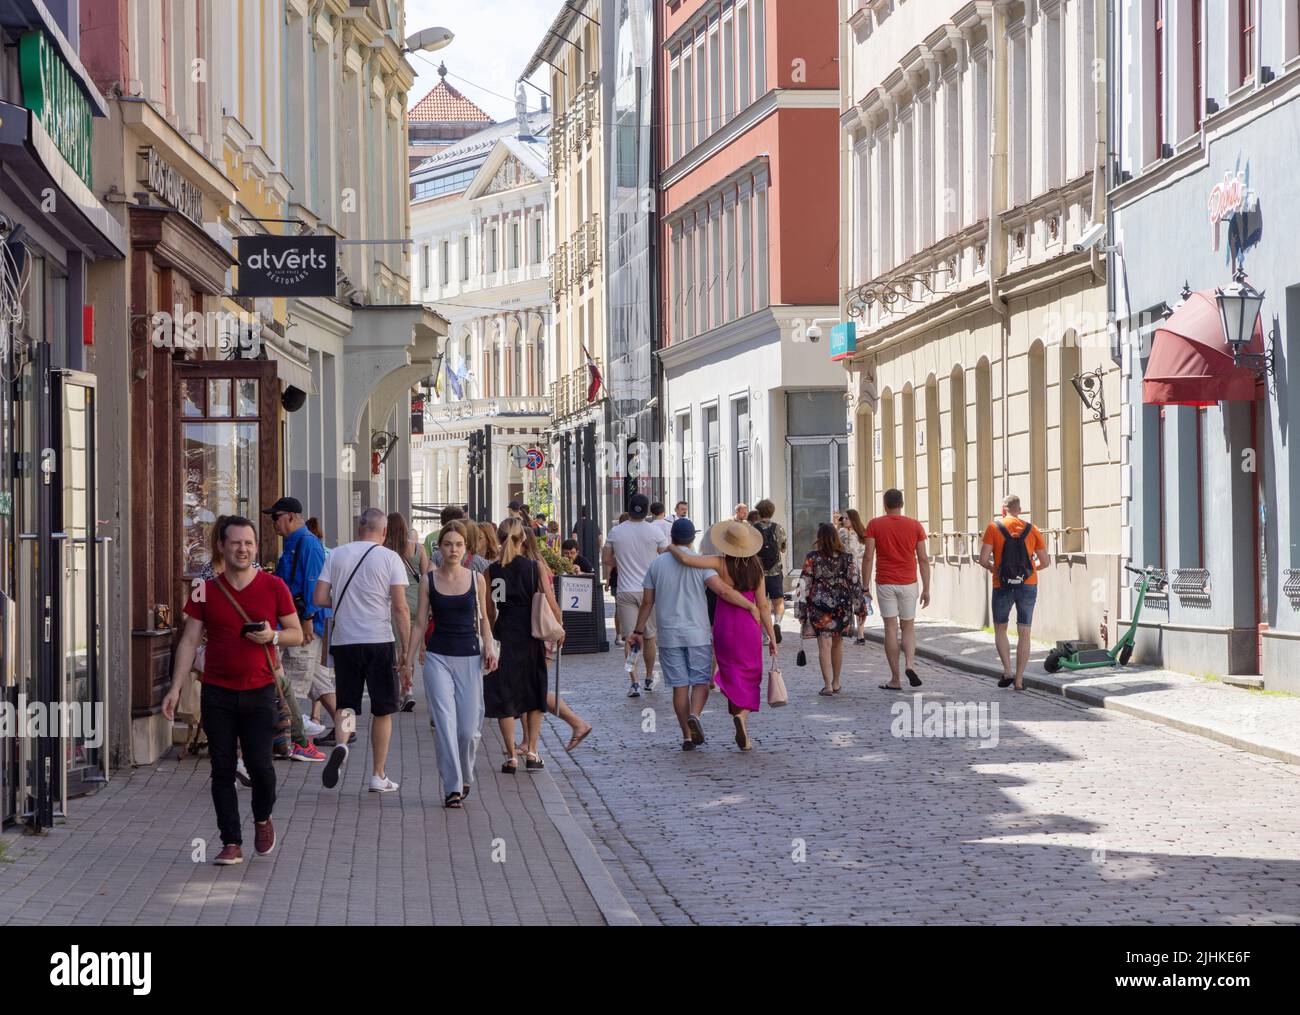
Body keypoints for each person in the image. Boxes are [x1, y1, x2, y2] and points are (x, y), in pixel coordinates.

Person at [163, 516, 304, 865]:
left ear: (256, 547)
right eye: (236, 542)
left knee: (261, 768)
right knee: (222, 768)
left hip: (259, 691)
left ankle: (262, 818)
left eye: (248, 543)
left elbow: (297, 634)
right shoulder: (203, 588)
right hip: (217, 691)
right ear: (222, 547)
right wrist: (175, 687)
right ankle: (231, 841)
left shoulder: (274, 586)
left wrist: (271, 636)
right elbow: (190, 639)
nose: (242, 548)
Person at [631, 517, 763, 751]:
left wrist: (638, 630)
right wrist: (750, 606)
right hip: (697, 633)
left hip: (669, 634)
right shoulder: (702, 565)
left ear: (672, 537)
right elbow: (723, 591)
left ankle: (687, 736)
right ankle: (695, 715)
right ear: (692, 539)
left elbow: (647, 601)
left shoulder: (656, 565)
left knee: (679, 686)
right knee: (700, 681)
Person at [313, 508, 411, 794]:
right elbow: (401, 607)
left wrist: (348, 603)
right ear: (383, 532)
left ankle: (342, 743)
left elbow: (319, 597)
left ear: (359, 529)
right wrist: (406, 650)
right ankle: (378, 775)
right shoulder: (390, 558)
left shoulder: (337, 555)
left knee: (347, 704)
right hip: (378, 639)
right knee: (382, 709)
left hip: (344, 641)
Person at [406, 521, 496, 808]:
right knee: (444, 724)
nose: (453, 549)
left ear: (466, 548)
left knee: (468, 730)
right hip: (438, 657)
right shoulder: (428, 581)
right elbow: (420, 622)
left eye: (458, 544)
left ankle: (465, 774)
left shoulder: (476, 579)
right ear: (439, 548)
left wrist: (490, 645)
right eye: (448, 544)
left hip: (469, 656)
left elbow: (484, 618)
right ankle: (452, 787)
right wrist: (407, 660)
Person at [666, 520, 776, 751]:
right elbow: (764, 605)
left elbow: (687, 559)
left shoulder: (720, 563)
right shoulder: (757, 568)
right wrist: (771, 636)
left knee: (730, 672)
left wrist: (671, 547)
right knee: (749, 675)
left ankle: (738, 718)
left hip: (725, 625)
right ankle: (742, 717)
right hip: (749, 625)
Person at [487, 518, 563, 772]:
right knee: (533, 691)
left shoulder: (493, 570)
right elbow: (549, 601)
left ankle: (511, 756)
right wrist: (560, 627)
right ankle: (532, 751)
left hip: (504, 634)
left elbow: (491, 609)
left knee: (505, 696)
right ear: (524, 540)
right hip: (531, 635)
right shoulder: (533, 567)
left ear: (499, 539)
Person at [264, 497, 328, 761]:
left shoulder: (307, 543)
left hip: (302, 625)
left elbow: (313, 584)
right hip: (291, 623)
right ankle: (295, 739)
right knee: (297, 684)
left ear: (290, 516)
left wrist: (308, 618)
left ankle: (296, 741)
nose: (273, 524)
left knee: (290, 686)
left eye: (275, 518)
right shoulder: (293, 543)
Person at [980, 494, 1051, 690]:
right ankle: (1019, 681)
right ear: (1020, 510)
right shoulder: (1032, 529)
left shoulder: (994, 527)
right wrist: (1028, 571)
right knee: (1024, 632)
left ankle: (1007, 671)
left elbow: (983, 559)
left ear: (1003, 510)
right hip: (1028, 585)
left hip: (1001, 585)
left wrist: (996, 569)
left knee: (1001, 628)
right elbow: (1045, 562)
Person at [863, 489, 930, 690]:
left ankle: (895, 679)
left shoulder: (875, 525)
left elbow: (868, 557)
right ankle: (910, 664)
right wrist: (927, 588)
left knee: (890, 628)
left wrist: (864, 586)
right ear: (902, 504)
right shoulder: (915, 525)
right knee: (908, 627)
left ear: (885, 505)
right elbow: (923, 559)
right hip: (909, 582)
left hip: (885, 582)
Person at [603, 495, 669, 697]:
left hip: (625, 590)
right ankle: (649, 677)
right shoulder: (655, 531)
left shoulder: (616, 531)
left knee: (631, 638)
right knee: (649, 637)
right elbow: (665, 555)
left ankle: (634, 682)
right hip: (649, 590)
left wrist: (621, 562)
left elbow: (605, 558)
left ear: (629, 509)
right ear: (647, 511)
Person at [797, 523, 866, 695]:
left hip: (819, 604)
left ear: (819, 538)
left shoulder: (813, 557)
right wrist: (860, 608)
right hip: (841, 605)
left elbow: (803, 584)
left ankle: (827, 685)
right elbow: (855, 582)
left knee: (824, 644)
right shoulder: (847, 558)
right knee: (837, 642)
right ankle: (836, 682)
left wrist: (801, 610)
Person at [386, 512, 428, 712]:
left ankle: (401, 691)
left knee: (398, 650)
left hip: (395, 605)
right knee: (409, 650)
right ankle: (407, 689)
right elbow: (427, 578)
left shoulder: (385, 551)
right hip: (417, 604)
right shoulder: (418, 549)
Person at [752, 499, 788, 643]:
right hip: (775, 571)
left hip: (758, 572)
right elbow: (783, 548)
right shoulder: (778, 528)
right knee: (778, 602)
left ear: (759, 513)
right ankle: (777, 623)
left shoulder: (753, 529)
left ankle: (764, 635)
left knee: (761, 603)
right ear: (772, 512)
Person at [839, 509, 869, 644]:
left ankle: (847, 631)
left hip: (845, 572)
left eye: (846, 518)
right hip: (858, 572)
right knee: (859, 603)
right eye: (843, 518)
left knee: (845, 602)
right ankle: (860, 634)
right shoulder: (863, 534)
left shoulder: (842, 533)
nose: (843, 520)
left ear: (853, 519)